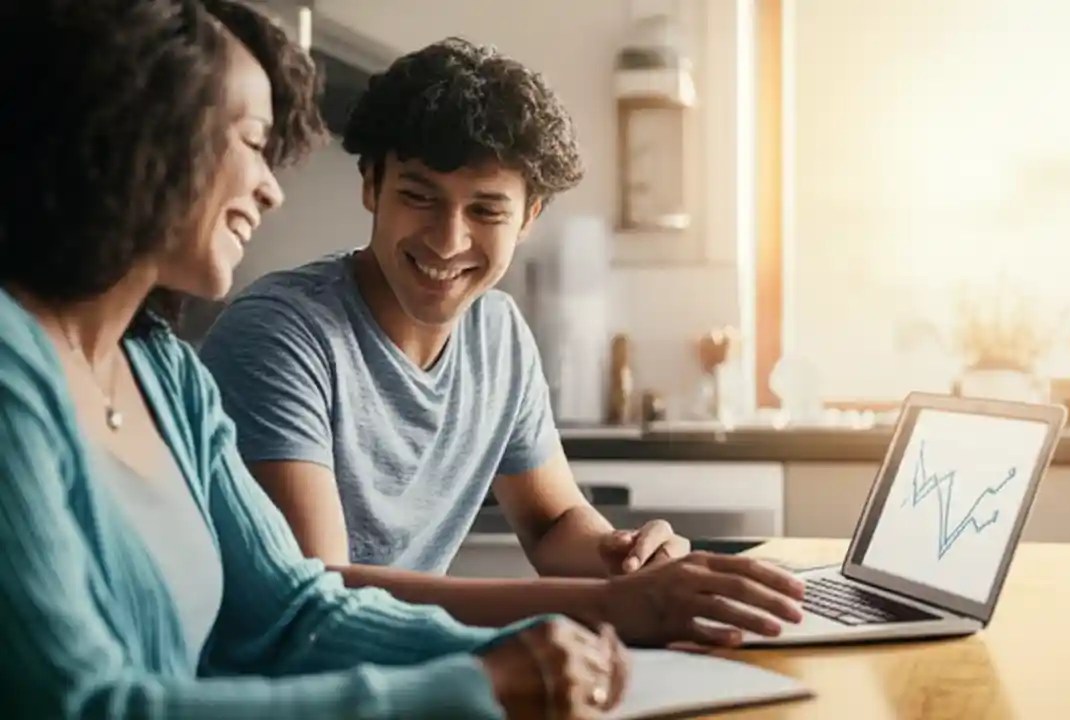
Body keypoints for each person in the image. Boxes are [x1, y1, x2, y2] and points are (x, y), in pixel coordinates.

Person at [0, 1, 626, 717]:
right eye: (250, 141)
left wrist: (532, 646)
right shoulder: (12, 368)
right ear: (135, 135)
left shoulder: (164, 372)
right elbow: (76, 703)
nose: (270, 188)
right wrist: (477, 685)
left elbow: (294, 608)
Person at [199, 37, 806, 647]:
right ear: (371, 186)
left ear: (529, 216)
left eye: (486, 211)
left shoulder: (499, 333)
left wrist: (628, 562)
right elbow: (320, 600)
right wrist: (611, 604)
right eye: (418, 197)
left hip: (409, 675)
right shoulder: (278, 335)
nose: (446, 239)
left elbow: (553, 523)